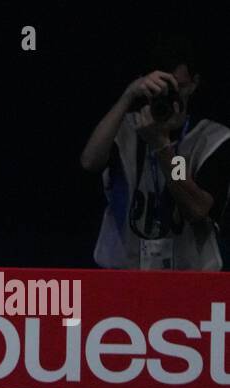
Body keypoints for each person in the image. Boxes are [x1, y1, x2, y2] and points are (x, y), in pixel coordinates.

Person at [82, 34, 230, 270]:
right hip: (123, 274)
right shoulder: (126, 128)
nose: (170, 95)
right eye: (162, 86)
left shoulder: (210, 138)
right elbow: (89, 161)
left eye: (178, 87)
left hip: (189, 279)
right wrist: (129, 94)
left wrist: (162, 145)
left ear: (194, 84)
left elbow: (196, 209)